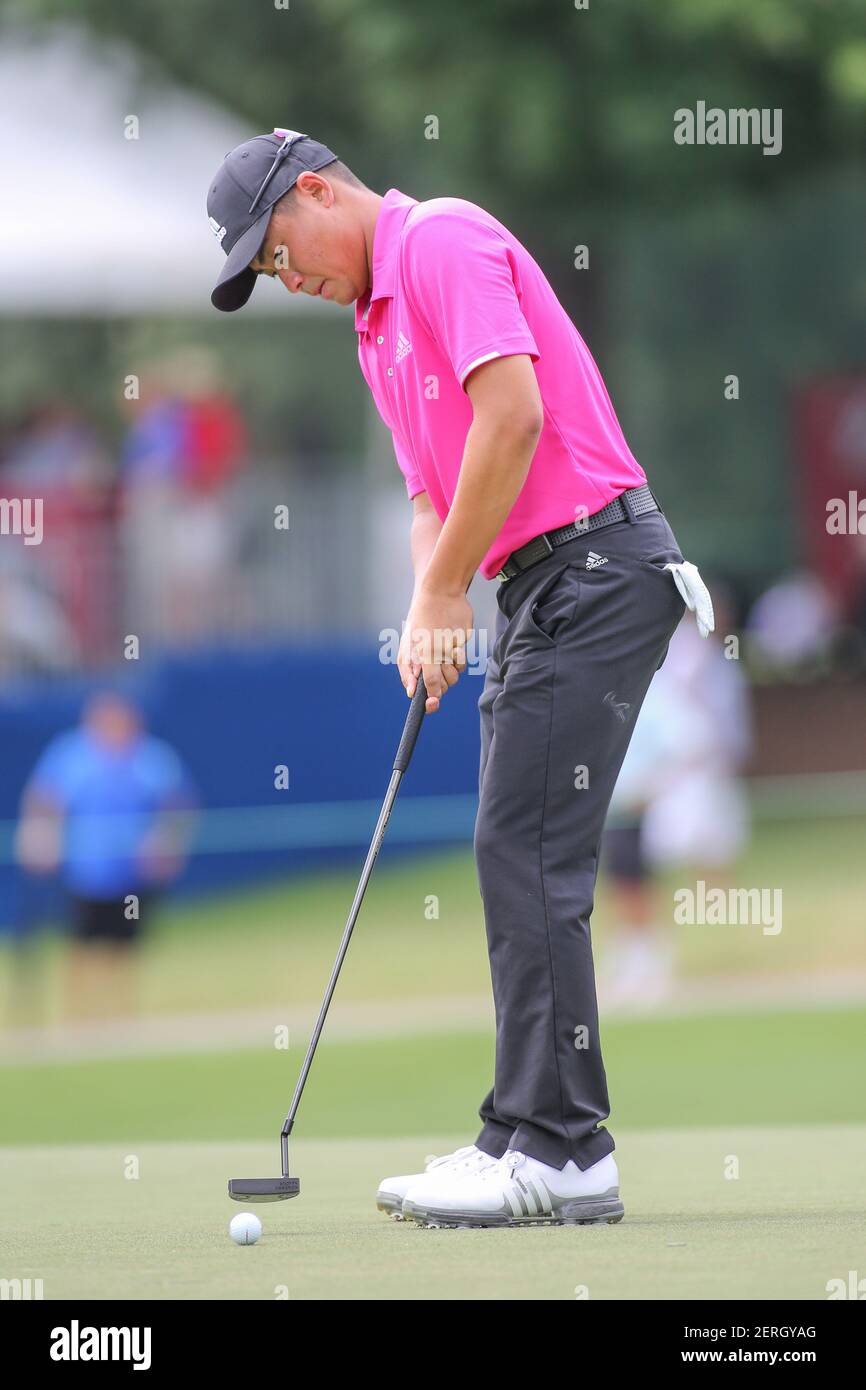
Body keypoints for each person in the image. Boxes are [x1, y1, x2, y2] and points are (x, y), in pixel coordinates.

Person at [205, 129, 714, 1228]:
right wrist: (428, 603)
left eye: (276, 251)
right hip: (541, 587)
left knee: (525, 848)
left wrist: (445, 596)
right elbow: (430, 491)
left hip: (596, 563)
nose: (284, 276)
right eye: (264, 274)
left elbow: (514, 417)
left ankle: (563, 1150)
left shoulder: (437, 237)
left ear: (312, 192)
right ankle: (519, 1131)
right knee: (512, 844)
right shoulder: (371, 324)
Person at [15, 691, 196, 1020]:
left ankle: (119, 1016)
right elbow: (43, 799)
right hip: (85, 870)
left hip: (131, 874)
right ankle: (81, 1017)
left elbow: (177, 805)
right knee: (82, 945)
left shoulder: (150, 758)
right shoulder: (72, 755)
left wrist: (165, 841)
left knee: (124, 946)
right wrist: (40, 836)